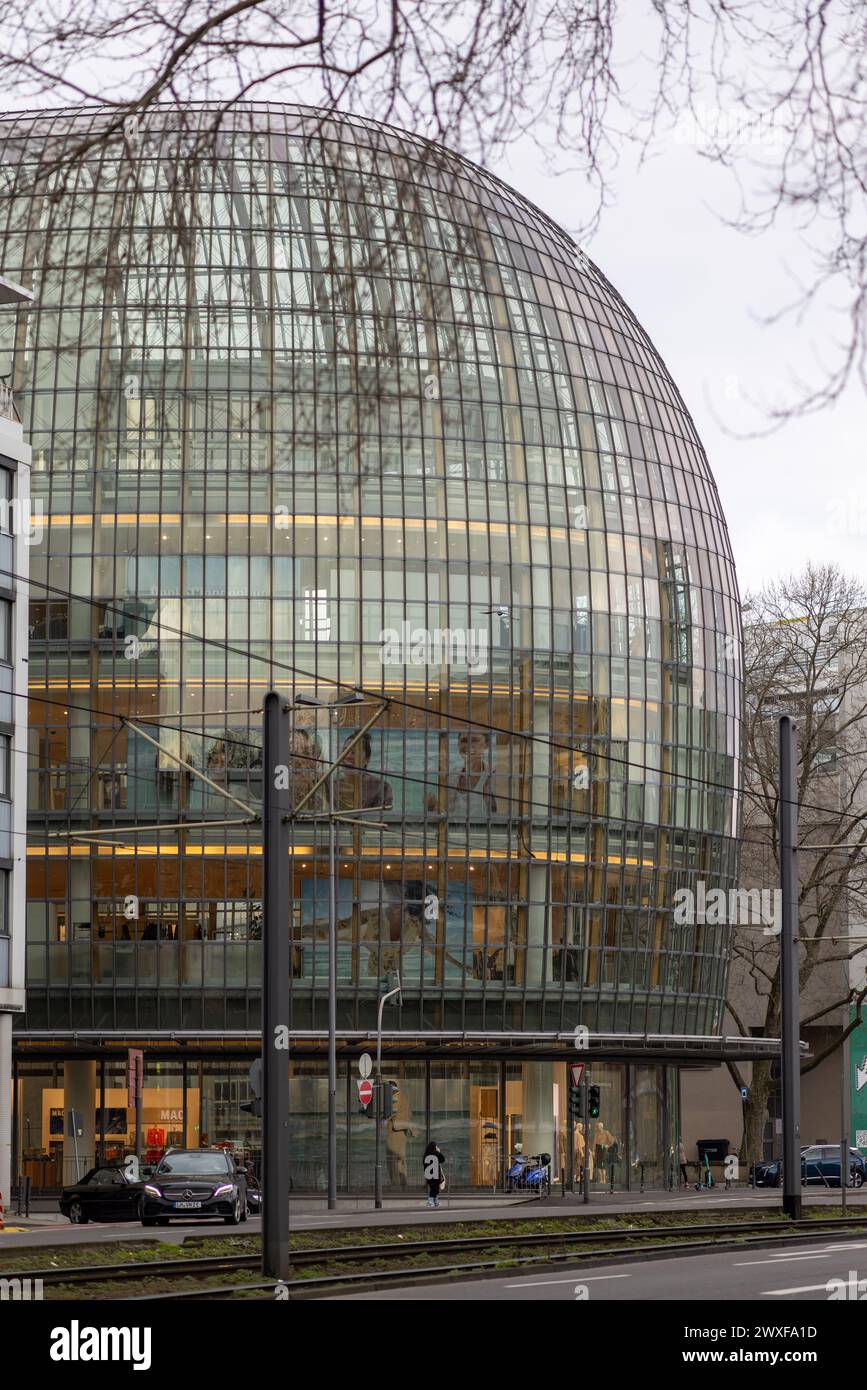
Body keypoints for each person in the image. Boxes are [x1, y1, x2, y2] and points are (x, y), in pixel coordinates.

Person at [422, 1139, 446, 1208]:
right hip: (435, 1174)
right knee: (435, 1188)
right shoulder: (435, 1153)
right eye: (436, 1147)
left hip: (428, 1174)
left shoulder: (426, 1154)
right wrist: (438, 1151)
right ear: (435, 1147)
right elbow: (442, 1159)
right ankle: (430, 1201)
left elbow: (424, 1164)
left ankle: (435, 1201)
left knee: (434, 1187)